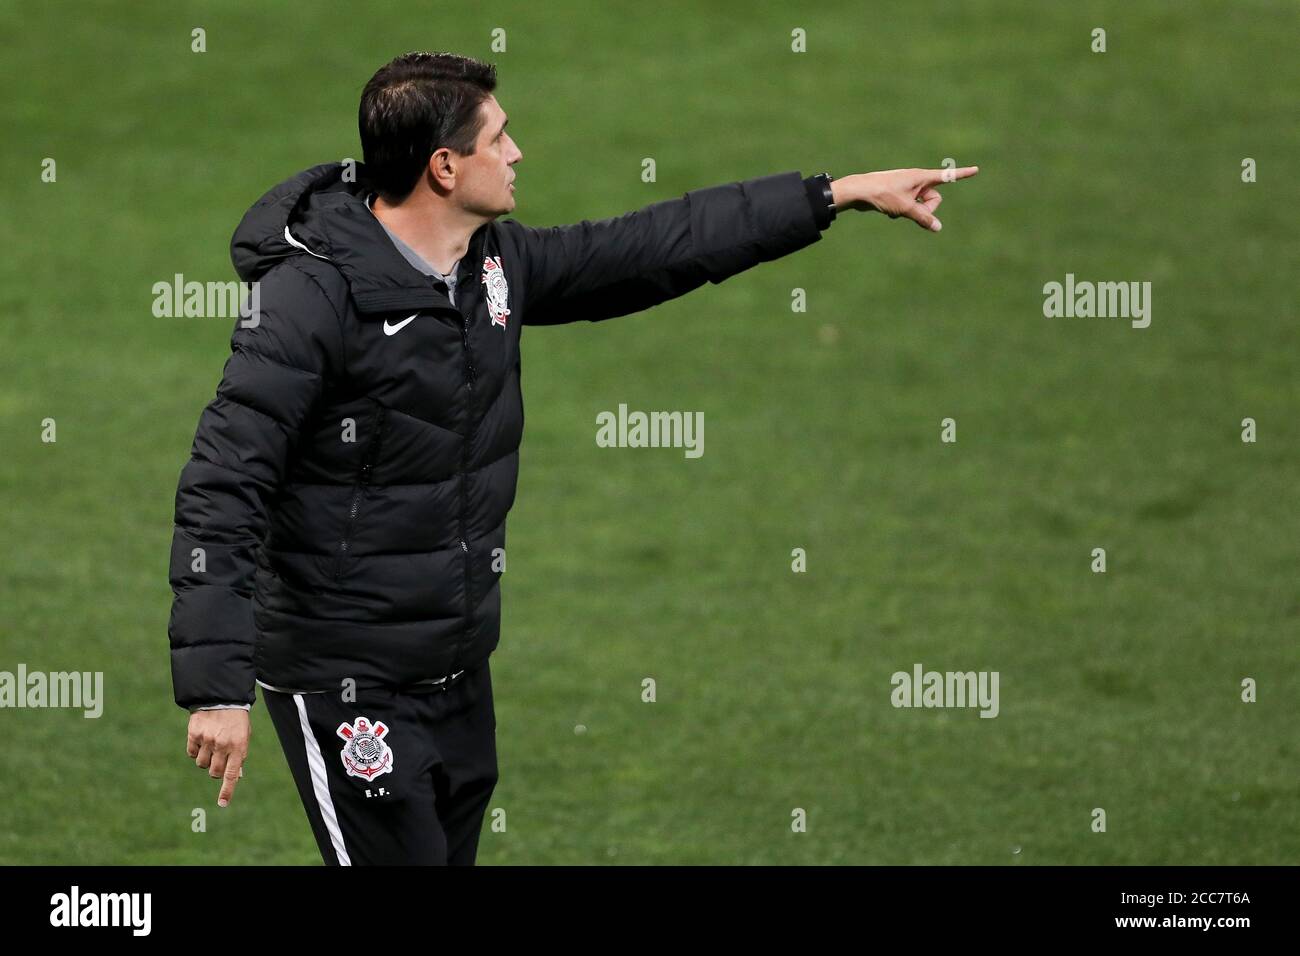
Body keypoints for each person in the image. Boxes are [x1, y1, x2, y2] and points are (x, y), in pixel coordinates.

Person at [169, 50, 978, 866]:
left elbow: (650, 247)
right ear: (443, 167)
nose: (518, 153)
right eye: (499, 139)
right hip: (345, 678)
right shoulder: (312, 301)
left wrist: (830, 195)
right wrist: (215, 687)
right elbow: (224, 484)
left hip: (453, 665)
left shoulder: (490, 264)